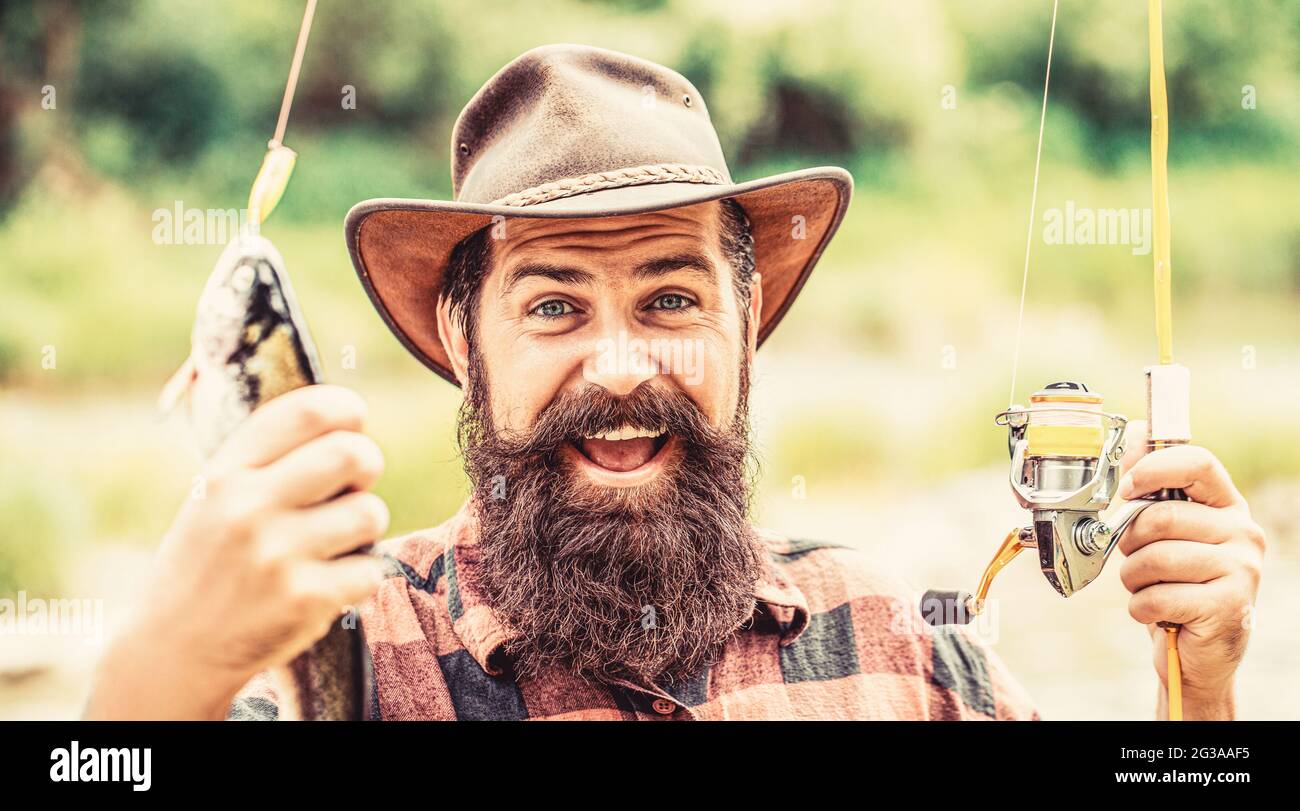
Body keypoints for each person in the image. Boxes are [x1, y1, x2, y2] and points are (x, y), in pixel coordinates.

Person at [85, 45, 1263, 720]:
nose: (619, 365)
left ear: (747, 327)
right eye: (552, 306)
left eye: (671, 299)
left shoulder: (893, 639)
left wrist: (1204, 698)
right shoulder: (333, 656)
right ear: (463, 337)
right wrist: (154, 678)